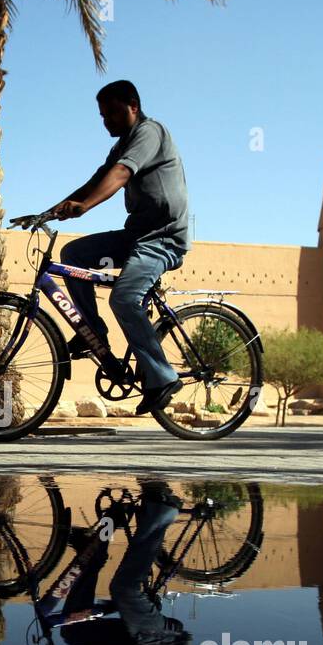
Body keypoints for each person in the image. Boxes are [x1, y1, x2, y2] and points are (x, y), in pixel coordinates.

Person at [47, 80, 191, 416]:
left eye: (112, 112)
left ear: (133, 107)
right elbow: (99, 177)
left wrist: (85, 207)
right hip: (136, 236)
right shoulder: (124, 143)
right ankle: (91, 333)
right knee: (73, 255)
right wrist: (53, 210)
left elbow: (121, 174)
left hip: (163, 238)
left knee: (124, 297)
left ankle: (163, 377)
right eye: (102, 115)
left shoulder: (149, 133)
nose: (107, 120)